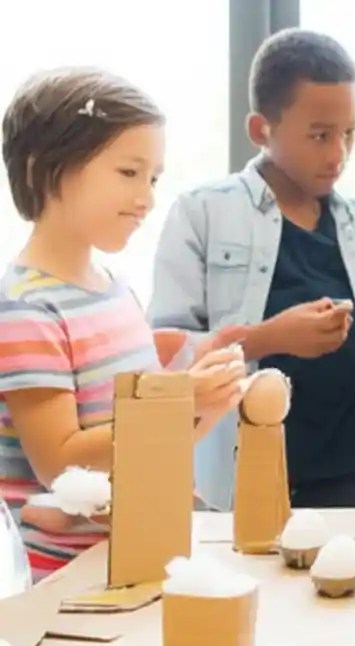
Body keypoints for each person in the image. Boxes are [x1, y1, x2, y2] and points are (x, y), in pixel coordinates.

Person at [149, 29, 355, 510]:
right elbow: (162, 357)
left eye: (348, 133)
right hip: (241, 486)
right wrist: (268, 339)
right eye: (320, 135)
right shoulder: (201, 214)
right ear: (261, 130)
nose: (338, 153)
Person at [0, 68, 245, 580]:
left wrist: (207, 404)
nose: (147, 197)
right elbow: (60, 463)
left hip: (132, 559)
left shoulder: (116, 290)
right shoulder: (27, 310)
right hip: (62, 587)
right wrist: (182, 402)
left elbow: (142, 446)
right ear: (44, 167)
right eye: (128, 172)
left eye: (152, 178)